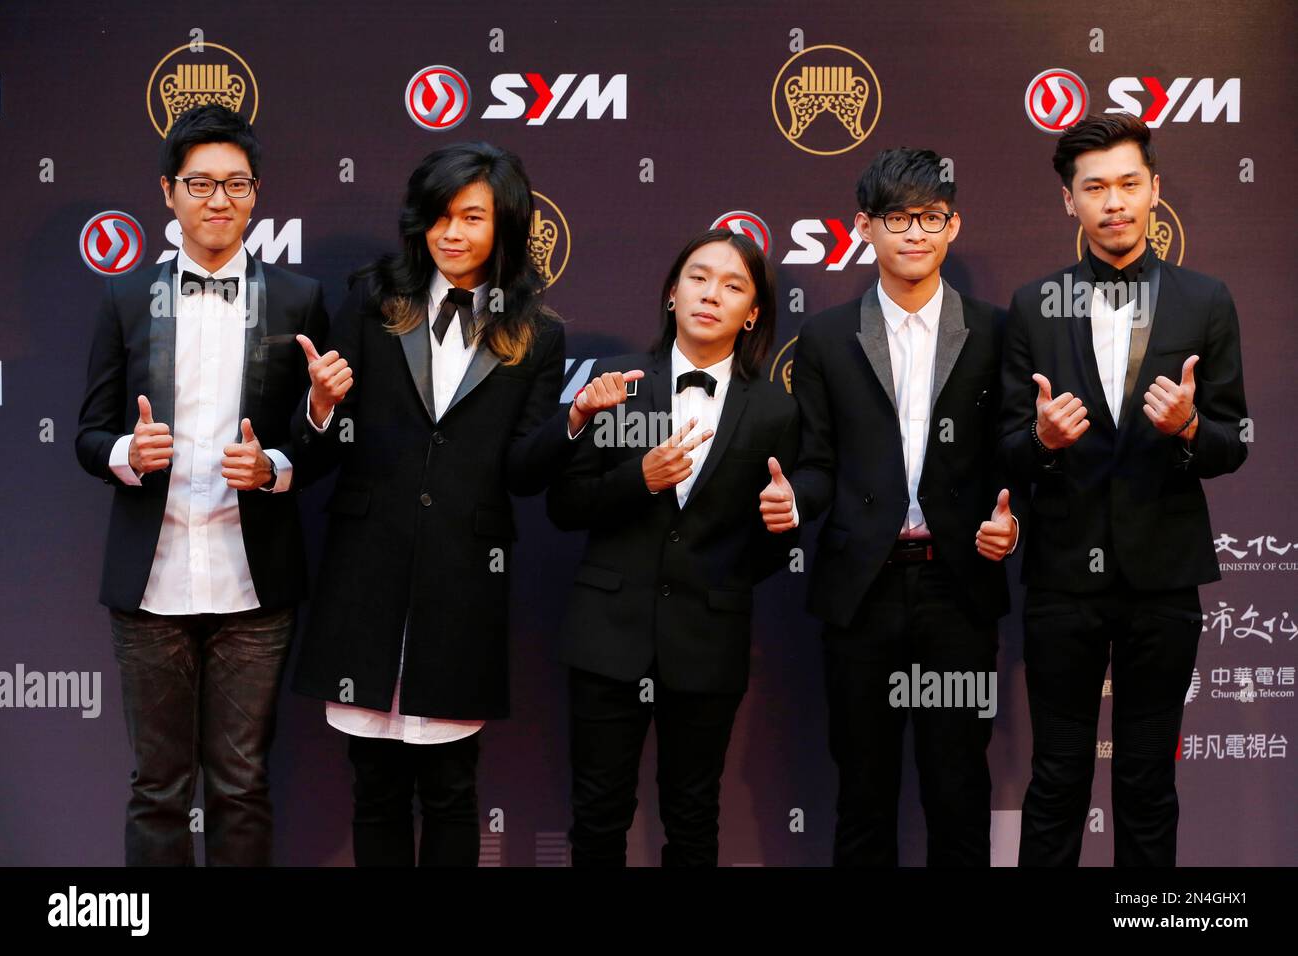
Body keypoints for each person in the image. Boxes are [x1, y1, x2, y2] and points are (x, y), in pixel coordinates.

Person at [289, 141, 632, 866]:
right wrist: (318, 405)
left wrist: (572, 422)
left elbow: (520, 474)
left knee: (451, 789)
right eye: (439, 215)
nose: (452, 233)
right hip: (366, 572)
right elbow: (317, 453)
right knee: (373, 788)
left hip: (464, 579)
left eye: (471, 217)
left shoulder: (538, 333)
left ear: (504, 225)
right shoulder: (371, 297)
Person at [75, 103, 328, 865]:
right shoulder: (125, 299)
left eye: (237, 184)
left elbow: (326, 441)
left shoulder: (298, 300)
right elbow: (87, 436)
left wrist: (278, 465)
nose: (219, 200)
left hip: (254, 587)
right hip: (151, 585)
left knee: (241, 784)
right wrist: (130, 450)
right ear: (168, 193)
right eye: (201, 184)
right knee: (157, 786)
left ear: (256, 194)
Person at [1001, 113, 1248, 866]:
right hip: (1062, 580)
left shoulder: (1206, 300)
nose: (1114, 202)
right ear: (1068, 201)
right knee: (1057, 777)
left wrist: (1185, 427)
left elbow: (1233, 443)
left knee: (1147, 780)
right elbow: (1005, 451)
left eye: (1129, 185)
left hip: (1163, 578)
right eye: (1095, 187)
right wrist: (1041, 441)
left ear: (1155, 191)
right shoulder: (1032, 304)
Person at [761, 147, 1019, 866]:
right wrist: (793, 503)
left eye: (930, 217)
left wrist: (1012, 520)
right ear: (863, 228)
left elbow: (1012, 456)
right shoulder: (826, 337)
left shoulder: (995, 331)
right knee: (863, 794)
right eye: (897, 218)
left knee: (958, 790)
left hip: (957, 588)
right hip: (861, 591)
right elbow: (816, 466)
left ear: (953, 226)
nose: (915, 233)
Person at [547, 228, 798, 866]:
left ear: (754, 314)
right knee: (597, 816)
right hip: (607, 636)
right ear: (670, 292)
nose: (712, 294)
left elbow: (771, 553)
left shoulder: (775, 410)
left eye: (734, 285)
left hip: (708, 640)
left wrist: (780, 522)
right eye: (698, 277)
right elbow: (563, 507)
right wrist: (639, 478)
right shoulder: (613, 384)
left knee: (693, 819)